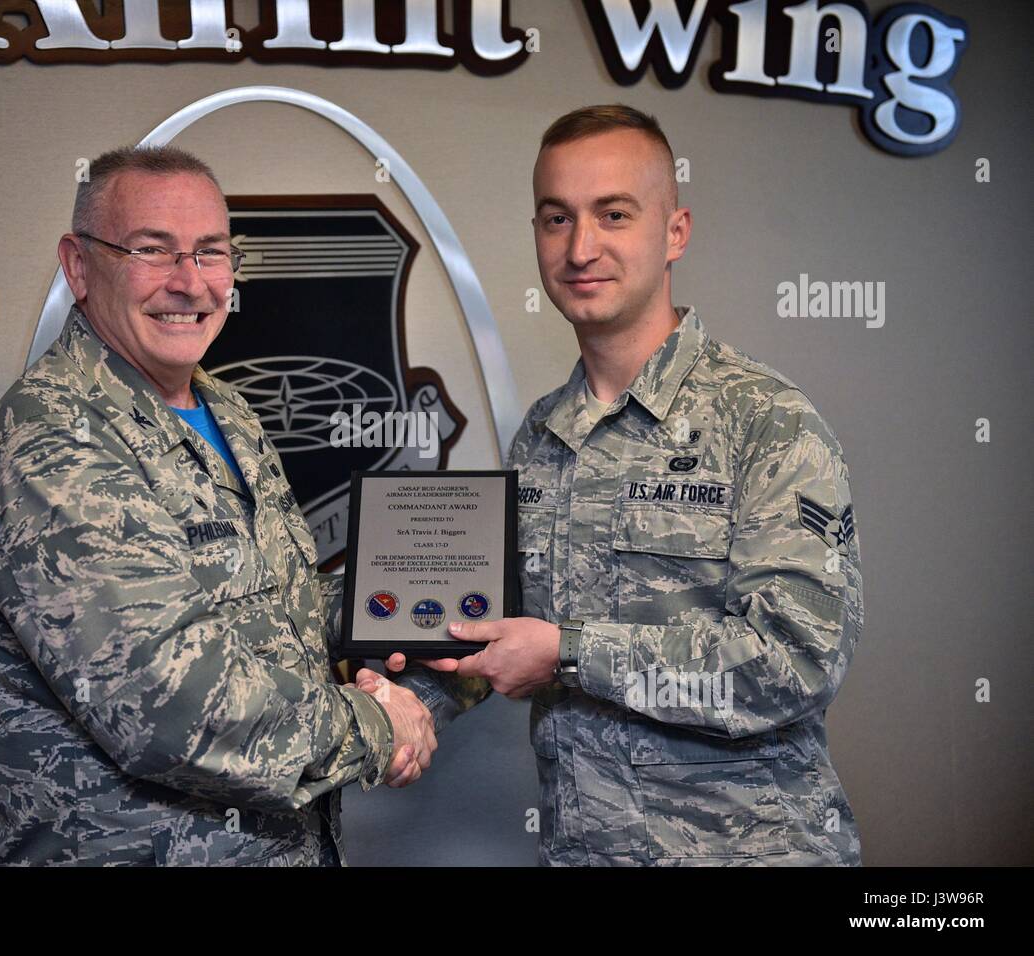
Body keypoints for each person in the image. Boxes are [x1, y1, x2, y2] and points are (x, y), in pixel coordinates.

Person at [365, 105, 864, 865]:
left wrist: (568, 653)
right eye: (556, 218)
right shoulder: (539, 437)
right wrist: (406, 703)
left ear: (675, 231)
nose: (580, 247)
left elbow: (794, 662)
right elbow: (500, 634)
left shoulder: (765, 420)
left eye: (615, 214)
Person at [0, 145, 435, 866]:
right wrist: (376, 727)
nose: (190, 283)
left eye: (211, 253)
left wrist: (416, 613)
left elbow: (270, 606)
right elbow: (166, 704)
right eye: (153, 250)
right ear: (79, 265)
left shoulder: (226, 410)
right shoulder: (51, 443)